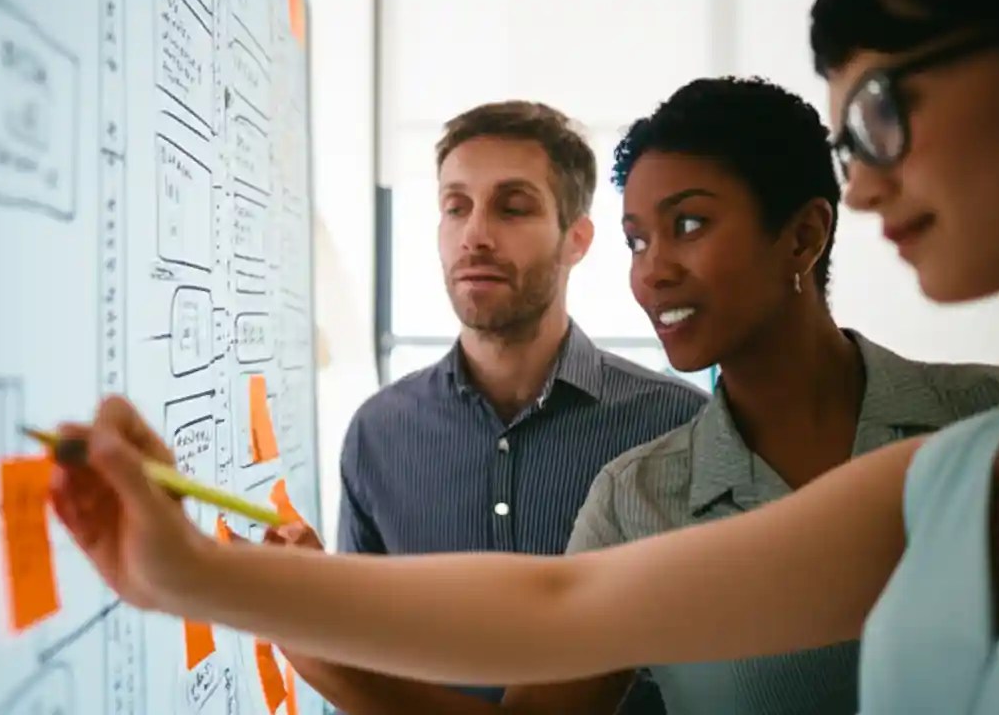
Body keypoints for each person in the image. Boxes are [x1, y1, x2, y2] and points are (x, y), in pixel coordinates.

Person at [46, 0, 999, 712]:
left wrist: (199, 577)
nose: (652, 272)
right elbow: (566, 607)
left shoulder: (977, 426)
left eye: (878, 109)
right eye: (642, 237)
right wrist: (189, 573)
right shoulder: (956, 472)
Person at [263, 75, 999, 715]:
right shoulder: (637, 495)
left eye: (690, 224)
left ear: (804, 236)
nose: (653, 270)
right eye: (640, 239)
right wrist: (278, 615)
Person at [298, 100, 707, 711]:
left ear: (577, 239)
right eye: (455, 207)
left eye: (513, 207)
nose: (475, 235)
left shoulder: (677, 426)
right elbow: (361, 652)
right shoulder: (377, 435)